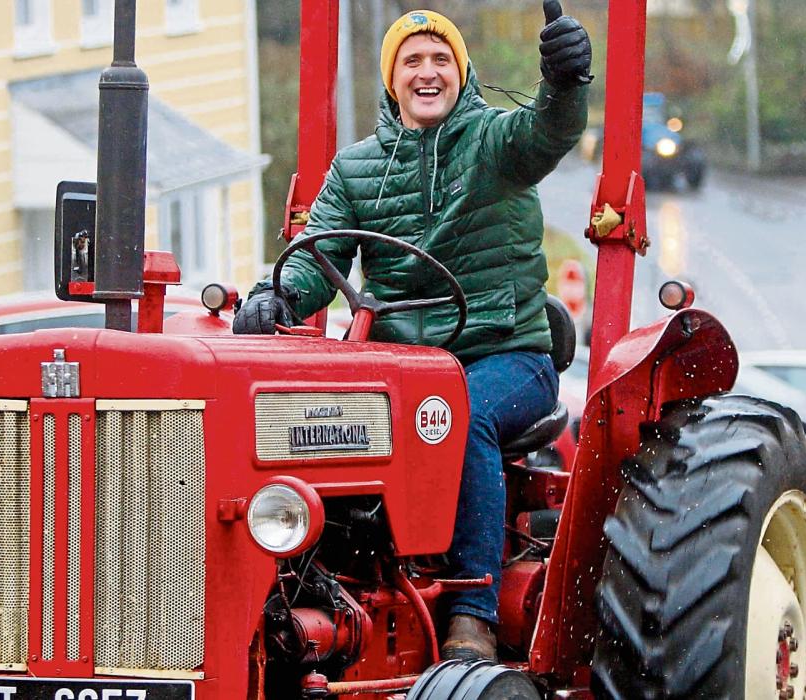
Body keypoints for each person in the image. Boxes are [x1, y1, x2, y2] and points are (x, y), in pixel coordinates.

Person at [232, 1, 592, 661]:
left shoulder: (495, 143)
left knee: (459, 414)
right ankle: (308, 590)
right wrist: (274, 297)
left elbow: (549, 130)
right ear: (392, 80)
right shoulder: (356, 170)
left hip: (507, 355)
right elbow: (316, 260)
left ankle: (472, 615)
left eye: (441, 59)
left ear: (462, 72)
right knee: (306, 421)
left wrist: (564, 83)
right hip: (402, 371)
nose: (428, 72)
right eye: (412, 61)